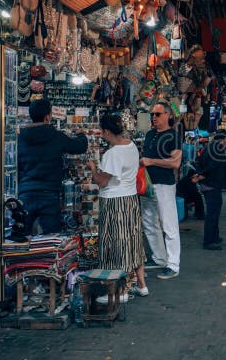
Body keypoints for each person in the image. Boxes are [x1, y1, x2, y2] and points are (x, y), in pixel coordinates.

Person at [88, 113, 147, 301]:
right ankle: (141, 284)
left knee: (116, 245)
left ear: (106, 131)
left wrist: (93, 169)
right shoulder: (131, 146)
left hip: (115, 202)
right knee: (133, 242)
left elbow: (102, 182)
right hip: (130, 199)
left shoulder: (112, 154)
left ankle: (120, 291)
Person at [18, 99, 88, 235]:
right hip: (49, 194)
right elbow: (80, 146)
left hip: (25, 193)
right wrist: (81, 134)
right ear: (47, 117)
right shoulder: (56, 136)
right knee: (52, 238)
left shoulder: (20, 138)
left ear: (31, 115)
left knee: (23, 238)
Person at [140, 102, 182, 280]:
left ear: (168, 115)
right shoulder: (150, 134)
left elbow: (175, 163)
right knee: (149, 222)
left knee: (169, 224)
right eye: (153, 115)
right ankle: (159, 258)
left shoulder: (174, 136)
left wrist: (151, 161)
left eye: (157, 114)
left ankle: (173, 264)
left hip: (164, 185)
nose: (154, 118)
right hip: (148, 185)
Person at [192, 130, 226, 250]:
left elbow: (200, 162)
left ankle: (214, 237)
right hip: (212, 184)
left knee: (214, 212)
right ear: (223, 139)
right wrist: (202, 175)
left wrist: (201, 174)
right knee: (212, 214)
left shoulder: (210, 147)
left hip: (210, 184)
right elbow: (213, 166)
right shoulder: (216, 149)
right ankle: (209, 241)